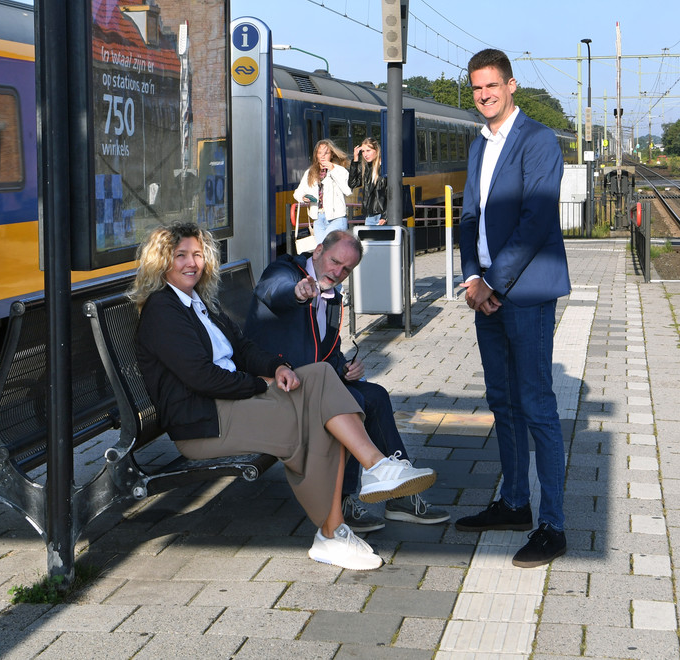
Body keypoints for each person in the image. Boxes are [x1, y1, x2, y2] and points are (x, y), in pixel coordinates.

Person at [131, 222, 435, 570]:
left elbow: (244, 348)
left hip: (230, 406)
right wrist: (261, 384)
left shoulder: (197, 302)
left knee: (322, 378)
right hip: (204, 423)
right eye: (181, 255)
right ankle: (335, 529)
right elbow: (202, 377)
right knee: (322, 415)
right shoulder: (163, 309)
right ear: (162, 260)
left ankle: (373, 473)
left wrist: (276, 367)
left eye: (197, 255)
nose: (192, 263)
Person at [248, 229, 450, 534]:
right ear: (318, 251)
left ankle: (401, 496)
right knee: (352, 402)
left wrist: (344, 369)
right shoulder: (285, 271)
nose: (337, 272)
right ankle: (343, 500)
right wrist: (298, 293)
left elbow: (325, 349)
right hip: (279, 384)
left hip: (313, 381)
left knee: (375, 395)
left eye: (346, 269)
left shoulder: (332, 295)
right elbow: (274, 291)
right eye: (334, 262)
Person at [456, 48, 571, 569]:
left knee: (536, 404)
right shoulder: (479, 145)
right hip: (486, 292)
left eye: (492, 86)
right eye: (477, 88)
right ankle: (514, 503)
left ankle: (553, 525)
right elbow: (468, 217)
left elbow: (536, 220)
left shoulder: (538, 140)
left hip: (523, 294)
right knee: (502, 401)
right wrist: (471, 277)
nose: (484, 95)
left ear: (511, 85)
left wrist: (492, 282)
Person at [293, 139, 352, 241]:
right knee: (321, 248)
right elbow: (297, 193)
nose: (322, 156)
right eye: (320, 153)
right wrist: (303, 198)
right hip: (318, 218)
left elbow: (348, 191)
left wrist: (333, 170)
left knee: (329, 245)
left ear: (332, 154)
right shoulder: (310, 172)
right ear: (316, 155)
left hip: (336, 218)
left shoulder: (340, 170)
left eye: (326, 153)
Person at [349, 138, 387, 226]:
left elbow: (391, 193)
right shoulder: (367, 169)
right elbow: (352, 183)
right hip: (370, 215)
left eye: (368, 151)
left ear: (376, 150)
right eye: (363, 151)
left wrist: (385, 216)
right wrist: (355, 160)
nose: (365, 154)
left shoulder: (384, 168)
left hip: (381, 215)